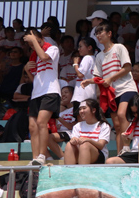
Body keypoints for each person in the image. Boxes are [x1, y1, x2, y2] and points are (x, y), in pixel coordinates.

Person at [83, 24, 137, 154]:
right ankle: (120, 153)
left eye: (101, 32)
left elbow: (128, 68)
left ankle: (126, 147)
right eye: (97, 33)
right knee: (117, 126)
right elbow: (98, 77)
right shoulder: (99, 56)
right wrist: (90, 80)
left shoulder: (119, 48)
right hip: (111, 93)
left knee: (121, 114)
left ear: (109, 34)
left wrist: (110, 79)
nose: (99, 35)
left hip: (126, 88)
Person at [23, 28, 62, 165]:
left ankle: (41, 156)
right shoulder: (34, 56)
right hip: (37, 93)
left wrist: (34, 40)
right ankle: (35, 158)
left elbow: (45, 57)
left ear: (40, 38)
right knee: (32, 127)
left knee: (41, 122)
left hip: (50, 91)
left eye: (34, 42)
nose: (33, 46)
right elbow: (36, 79)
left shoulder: (52, 49)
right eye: (31, 45)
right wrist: (27, 70)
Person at [64, 99, 110, 165]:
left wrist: (88, 140)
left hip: (98, 155)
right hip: (81, 152)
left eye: (84, 108)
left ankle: (83, 172)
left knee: (85, 145)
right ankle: (69, 171)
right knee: (69, 145)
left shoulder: (103, 125)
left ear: (93, 110)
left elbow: (101, 146)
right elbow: (74, 138)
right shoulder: (78, 125)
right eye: (80, 109)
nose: (81, 111)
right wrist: (74, 140)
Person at [71, 37, 98, 115]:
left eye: (80, 46)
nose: (79, 49)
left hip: (82, 95)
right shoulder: (94, 59)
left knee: (80, 119)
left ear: (89, 47)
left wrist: (75, 63)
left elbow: (80, 74)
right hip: (90, 94)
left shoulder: (87, 58)